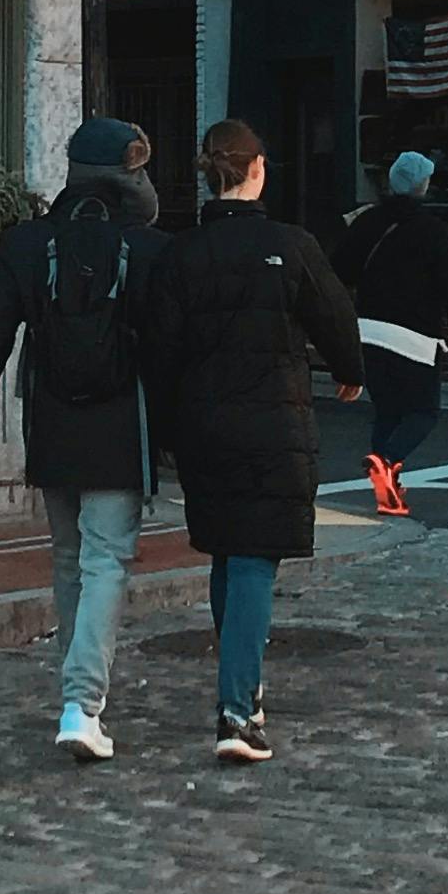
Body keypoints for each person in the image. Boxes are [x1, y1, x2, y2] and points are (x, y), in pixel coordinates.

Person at [0, 114, 165, 763]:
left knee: (69, 558)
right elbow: (174, 352)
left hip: (53, 423)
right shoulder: (150, 248)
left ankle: (77, 699)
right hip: (121, 428)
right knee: (106, 560)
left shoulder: (28, 243)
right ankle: (82, 704)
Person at [145, 116, 365, 765]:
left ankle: (245, 690)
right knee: (252, 560)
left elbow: (159, 352)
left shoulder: (179, 254)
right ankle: (238, 710)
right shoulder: (291, 246)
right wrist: (349, 372)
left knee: (228, 551)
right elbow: (337, 319)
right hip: (273, 423)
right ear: (258, 169)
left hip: (204, 426)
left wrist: (165, 430)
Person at [333, 150, 448, 518]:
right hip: (414, 337)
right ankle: (387, 460)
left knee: (387, 410)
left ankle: (388, 491)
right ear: (423, 186)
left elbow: (339, 271)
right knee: (423, 412)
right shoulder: (432, 230)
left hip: (368, 330)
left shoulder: (367, 222)